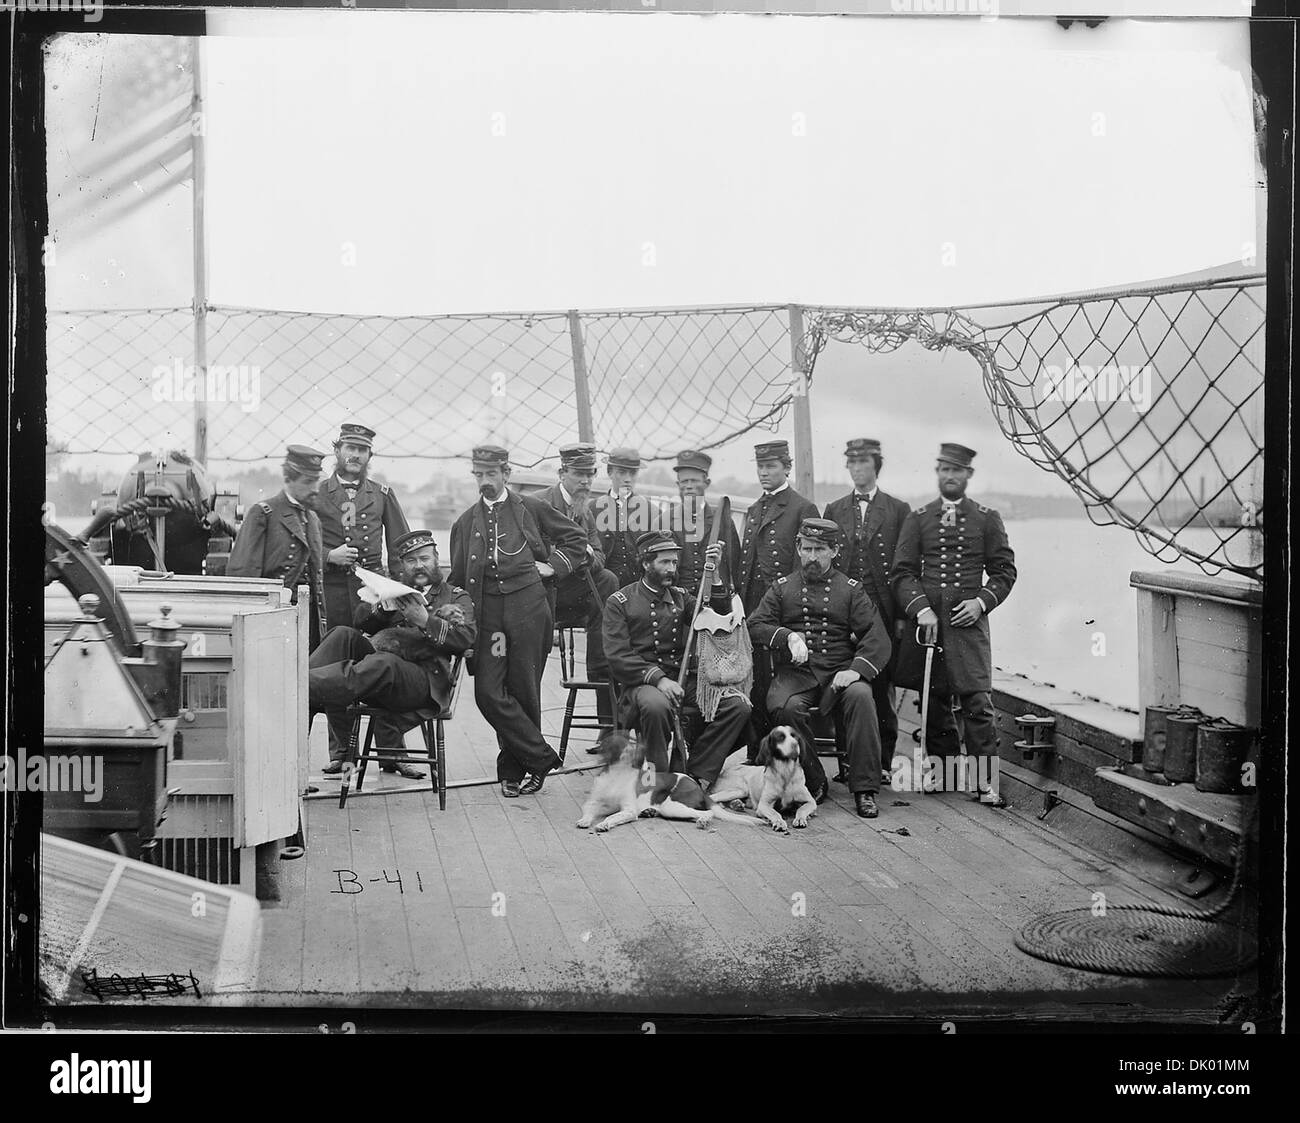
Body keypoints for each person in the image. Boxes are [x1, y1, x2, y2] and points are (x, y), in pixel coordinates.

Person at [448, 445, 589, 798]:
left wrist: (553, 566)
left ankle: (514, 770)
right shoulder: (465, 523)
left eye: (491, 474)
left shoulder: (532, 508)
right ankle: (540, 757)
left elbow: (576, 538)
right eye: (479, 475)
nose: (484, 481)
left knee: (524, 688)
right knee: (489, 692)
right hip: (492, 620)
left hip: (529, 612)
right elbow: (458, 577)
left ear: (506, 473)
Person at [892, 443, 1017, 804]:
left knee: (978, 703)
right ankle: (943, 775)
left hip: (967, 627)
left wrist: (980, 603)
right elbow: (902, 573)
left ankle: (984, 783)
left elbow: (1004, 571)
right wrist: (921, 609)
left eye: (956, 471)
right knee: (932, 701)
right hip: (929, 627)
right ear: (937, 474)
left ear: (968, 475)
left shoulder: (986, 518)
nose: (949, 476)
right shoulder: (918, 518)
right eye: (944, 470)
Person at [748, 519, 892, 818]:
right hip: (798, 674)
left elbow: (876, 636)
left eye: (820, 549)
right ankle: (815, 780)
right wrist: (786, 636)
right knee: (785, 709)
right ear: (799, 548)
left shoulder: (851, 591)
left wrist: (856, 670)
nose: (812, 556)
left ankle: (864, 789)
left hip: (841, 672)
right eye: (807, 548)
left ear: (834, 550)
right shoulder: (782, 588)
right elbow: (755, 625)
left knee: (862, 697)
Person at [310, 529, 476, 778]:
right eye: (411, 560)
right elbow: (362, 624)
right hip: (383, 676)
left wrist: (424, 620)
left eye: (424, 558)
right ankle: (303, 688)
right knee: (342, 635)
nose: (418, 566)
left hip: (424, 681)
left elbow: (466, 638)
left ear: (436, 558)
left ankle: (302, 684)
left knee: (383, 662)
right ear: (402, 565)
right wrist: (382, 610)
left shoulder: (455, 596)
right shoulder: (394, 589)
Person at [603, 533, 751, 789]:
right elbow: (618, 656)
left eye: (674, 562)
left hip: (684, 681)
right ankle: (653, 783)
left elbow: (719, 614)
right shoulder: (620, 602)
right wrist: (659, 680)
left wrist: (714, 574)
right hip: (640, 684)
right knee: (656, 706)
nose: (672, 568)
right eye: (664, 562)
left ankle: (693, 773)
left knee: (737, 706)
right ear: (646, 563)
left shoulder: (681, 597)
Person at [822, 438, 911, 784]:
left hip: (883, 612)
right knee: (846, 682)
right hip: (845, 611)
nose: (857, 469)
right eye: (852, 464)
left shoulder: (897, 509)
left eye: (864, 463)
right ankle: (847, 762)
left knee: (881, 687)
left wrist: (902, 619)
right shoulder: (835, 508)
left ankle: (884, 763)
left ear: (876, 467)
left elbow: (904, 566)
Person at [735, 439, 819, 781]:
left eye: (770, 466)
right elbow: (745, 563)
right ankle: (757, 754)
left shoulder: (802, 508)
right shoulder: (755, 509)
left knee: (777, 687)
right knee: (755, 683)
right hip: (756, 611)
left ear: (787, 468)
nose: (764, 473)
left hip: (785, 613)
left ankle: (783, 760)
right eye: (760, 467)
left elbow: (808, 567)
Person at [537, 442, 620, 725]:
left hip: (574, 595)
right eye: (579, 474)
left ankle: (601, 670)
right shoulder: (540, 504)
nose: (586, 481)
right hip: (544, 595)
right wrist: (574, 556)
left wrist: (583, 553)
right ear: (562, 473)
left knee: (608, 581)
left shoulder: (585, 511)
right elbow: (537, 555)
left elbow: (599, 556)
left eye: (590, 474)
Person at [228, 445, 329, 648]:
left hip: (309, 621)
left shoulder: (313, 519)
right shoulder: (264, 513)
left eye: (316, 481)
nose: (316, 489)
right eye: (308, 482)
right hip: (273, 620)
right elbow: (244, 574)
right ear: (289, 479)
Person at [314, 422, 411, 631]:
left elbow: (401, 549)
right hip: (331, 592)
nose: (356, 455)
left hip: (372, 591)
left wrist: (401, 593)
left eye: (362, 450)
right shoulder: (316, 495)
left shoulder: (382, 495)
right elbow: (301, 544)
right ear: (337, 451)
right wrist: (328, 555)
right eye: (350, 448)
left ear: (369, 456)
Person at [671, 449, 742, 595]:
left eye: (695, 481)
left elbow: (735, 568)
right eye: (684, 481)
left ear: (706, 483)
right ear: (678, 484)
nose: (689, 486)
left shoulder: (723, 521)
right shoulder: (666, 522)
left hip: (714, 600)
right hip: (677, 603)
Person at [588, 447, 660, 590]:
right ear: (610, 472)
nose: (627, 479)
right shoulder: (593, 509)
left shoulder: (651, 511)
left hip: (640, 586)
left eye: (633, 473)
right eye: (621, 472)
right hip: (604, 586)